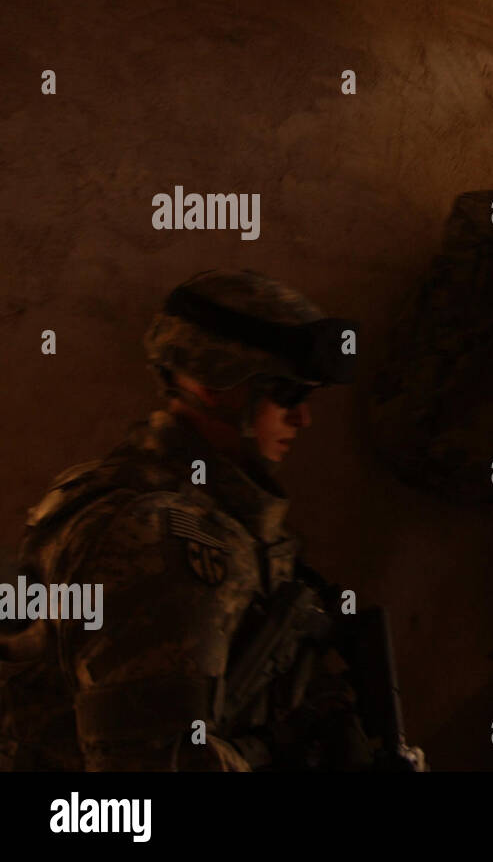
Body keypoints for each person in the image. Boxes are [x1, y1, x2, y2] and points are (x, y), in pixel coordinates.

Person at [0, 269, 415, 771]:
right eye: (287, 395)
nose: (303, 419)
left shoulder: (204, 506)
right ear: (214, 385)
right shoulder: (164, 538)